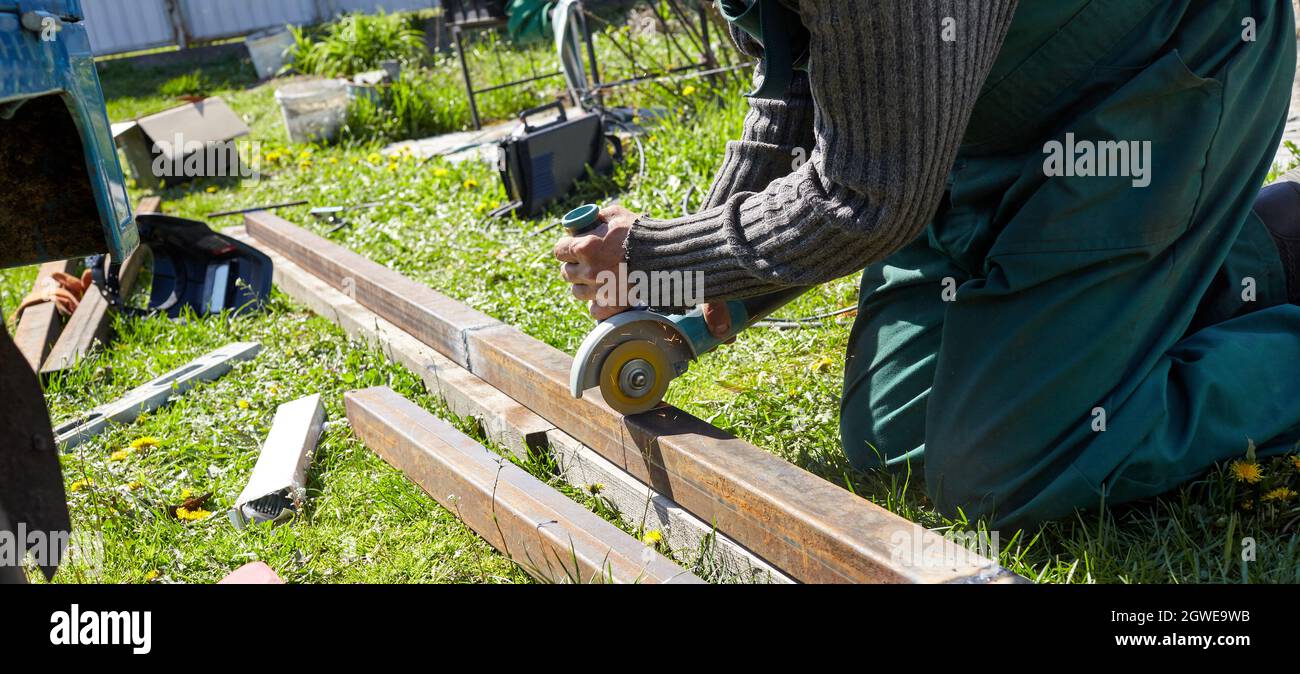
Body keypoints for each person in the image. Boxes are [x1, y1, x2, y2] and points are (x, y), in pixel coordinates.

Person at [553, 0, 1300, 529]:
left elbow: (868, 202)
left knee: (999, 472)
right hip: (966, 122)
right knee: (892, 442)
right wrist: (694, 289)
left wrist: (656, 258)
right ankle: (1254, 258)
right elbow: (792, 97)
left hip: (1159, 78)